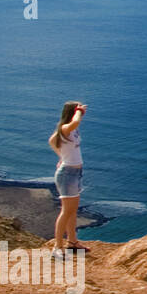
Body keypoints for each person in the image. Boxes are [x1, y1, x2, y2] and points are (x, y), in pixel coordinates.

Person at [48, 101, 88, 252]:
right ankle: (57, 247)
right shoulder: (66, 128)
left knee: (72, 210)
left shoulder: (68, 130)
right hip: (67, 174)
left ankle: (72, 242)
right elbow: (76, 121)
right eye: (77, 109)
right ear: (72, 112)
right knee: (66, 211)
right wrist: (80, 111)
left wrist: (60, 156)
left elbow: (51, 141)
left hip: (75, 172)